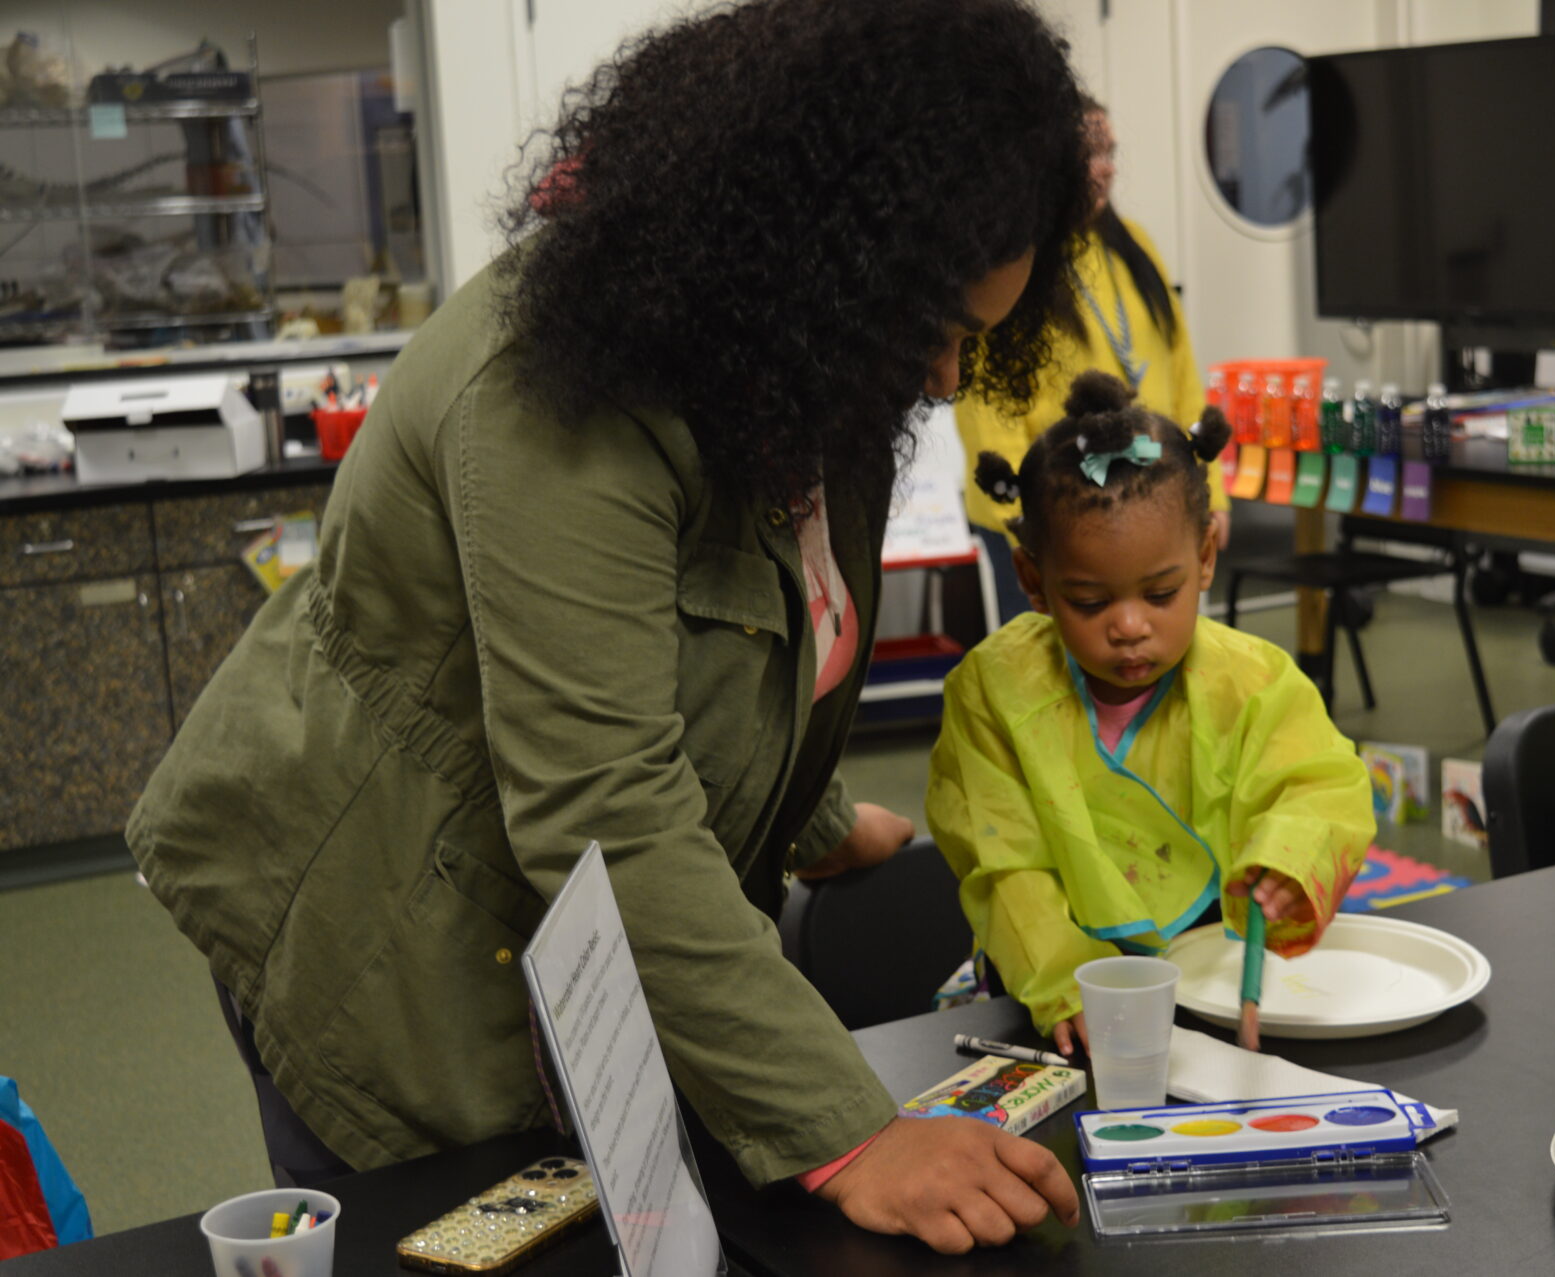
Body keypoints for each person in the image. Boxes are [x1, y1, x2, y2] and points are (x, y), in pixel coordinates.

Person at [125, 0, 1092, 1255]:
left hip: (567, 915)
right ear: (820, 248)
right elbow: (605, 806)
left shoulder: (802, 351)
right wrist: (853, 1131)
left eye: (977, 340)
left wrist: (810, 814)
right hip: (385, 925)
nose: (949, 382)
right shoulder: (554, 385)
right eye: (938, 334)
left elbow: (742, 627)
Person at [927, 371, 1374, 1054]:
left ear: (1204, 558)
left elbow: (1320, 783)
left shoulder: (1253, 681)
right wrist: (1063, 979)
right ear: (1033, 581)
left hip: (1213, 978)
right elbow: (1003, 860)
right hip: (1056, 996)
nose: (1130, 627)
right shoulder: (992, 691)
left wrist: (1289, 858)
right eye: (1089, 601)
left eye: (1160, 593)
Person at [955, 97, 1229, 624]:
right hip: (1048, 527)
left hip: (1150, 511)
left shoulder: (1135, 247)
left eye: (1110, 152)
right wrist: (1035, 520)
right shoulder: (1006, 263)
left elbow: (1182, 372)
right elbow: (986, 410)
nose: (1106, 169)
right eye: (1088, 154)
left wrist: (1208, 494)